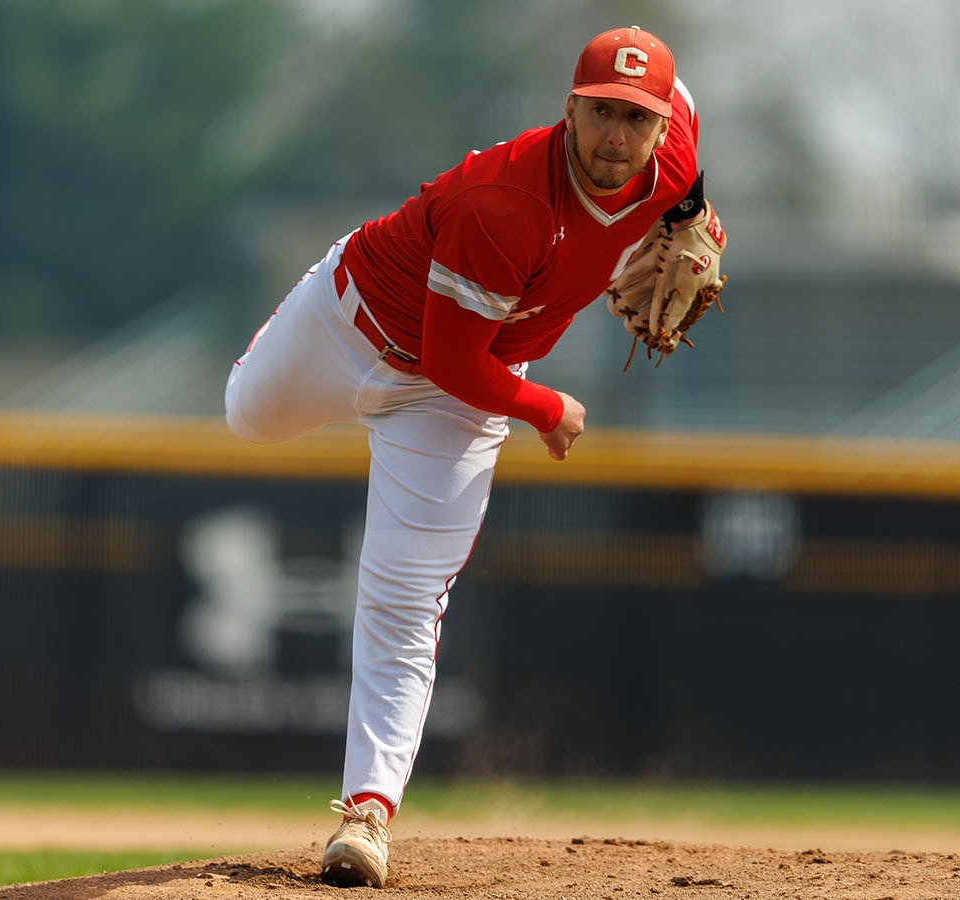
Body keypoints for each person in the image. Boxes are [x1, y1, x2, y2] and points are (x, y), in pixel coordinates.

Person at [224, 25, 713, 888]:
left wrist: (700, 223)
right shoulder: (505, 203)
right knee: (245, 416)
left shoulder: (673, 150)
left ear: (661, 125)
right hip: (357, 326)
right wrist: (547, 407)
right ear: (568, 109)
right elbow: (455, 358)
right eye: (601, 112)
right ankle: (289, 313)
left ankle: (366, 813)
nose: (617, 137)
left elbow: (690, 192)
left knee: (405, 601)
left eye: (637, 119)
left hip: (448, 401)